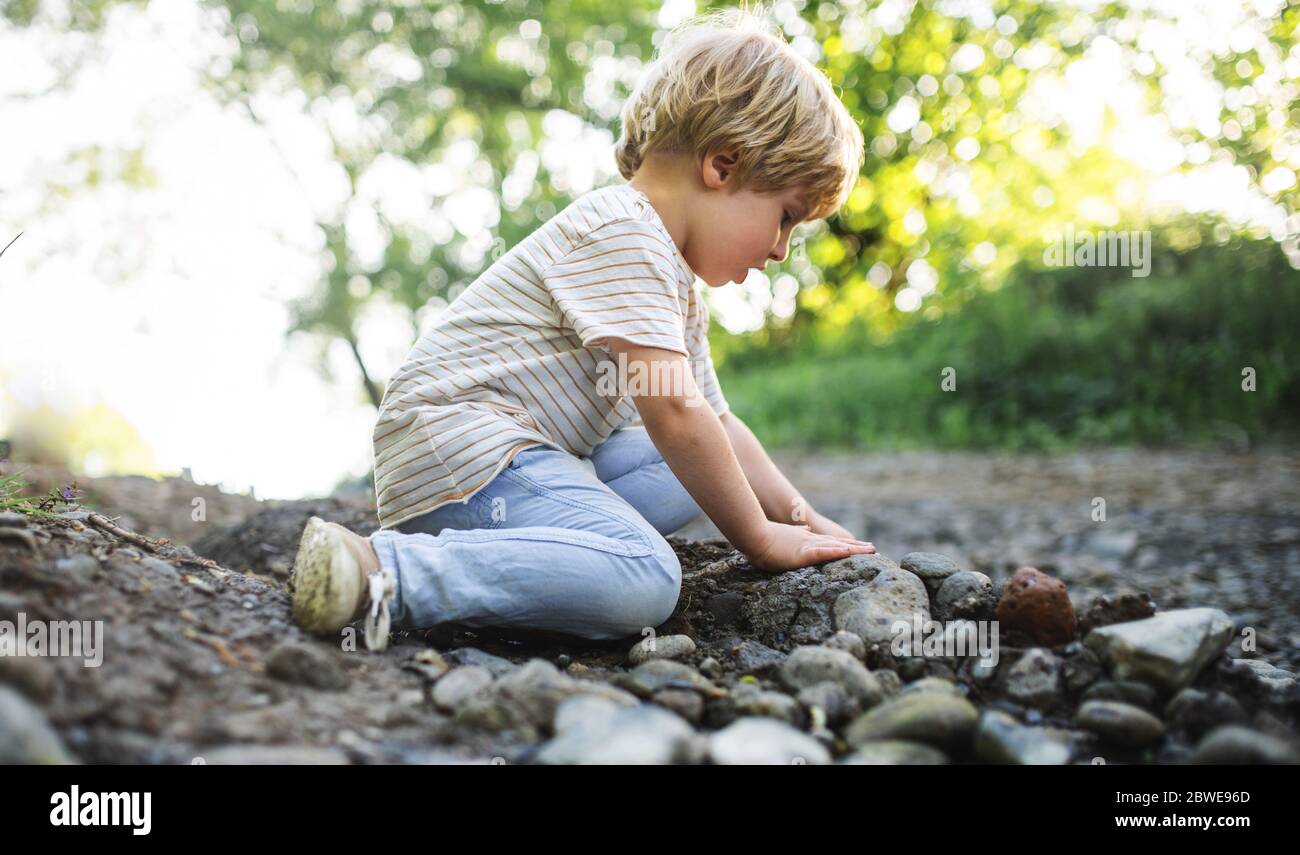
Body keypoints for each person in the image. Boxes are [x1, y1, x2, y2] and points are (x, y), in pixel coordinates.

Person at [290, 7, 872, 653]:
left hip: (520, 458)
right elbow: (675, 412)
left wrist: (803, 521)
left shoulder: (670, 276)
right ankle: (385, 572)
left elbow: (714, 422)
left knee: (707, 462)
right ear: (724, 165)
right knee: (646, 578)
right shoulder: (622, 231)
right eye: (786, 218)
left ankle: (531, 555)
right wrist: (760, 542)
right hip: (466, 452)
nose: (780, 250)